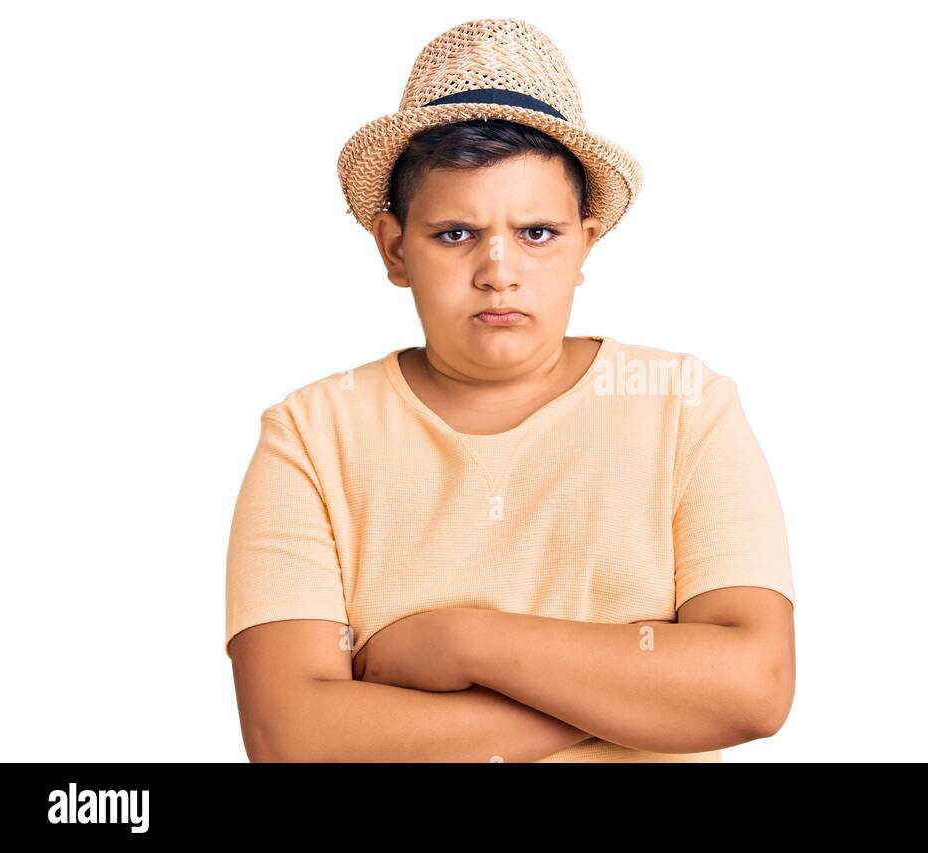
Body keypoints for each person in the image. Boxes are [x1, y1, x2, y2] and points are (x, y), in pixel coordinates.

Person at [225, 17, 796, 763]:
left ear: (587, 242)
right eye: (456, 234)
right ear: (394, 247)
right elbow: (292, 736)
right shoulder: (310, 436)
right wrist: (632, 699)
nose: (499, 269)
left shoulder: (684, 406)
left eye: (537, 232)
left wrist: (463, 642)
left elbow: (756, 686)